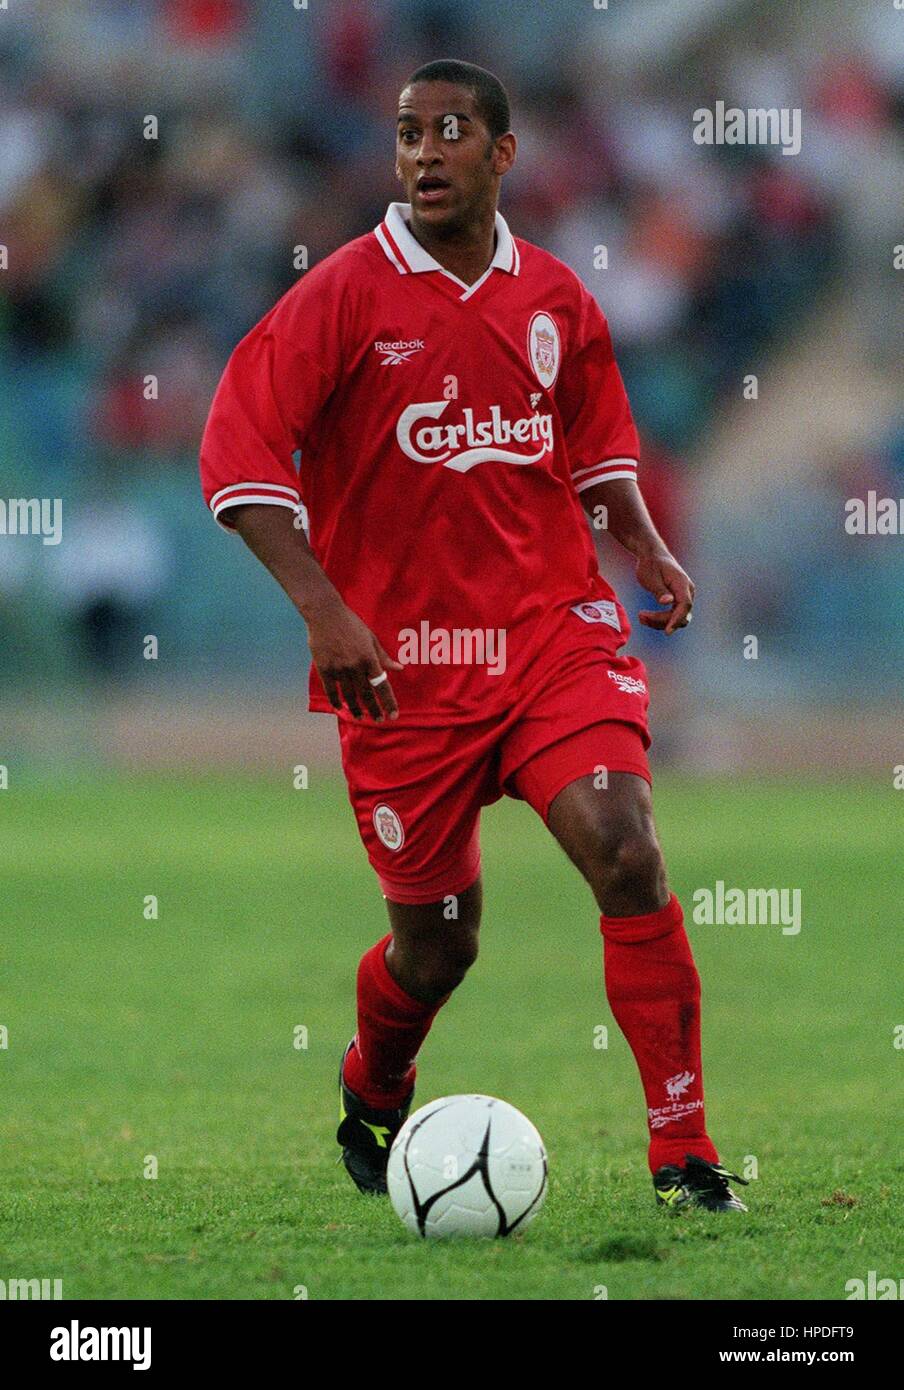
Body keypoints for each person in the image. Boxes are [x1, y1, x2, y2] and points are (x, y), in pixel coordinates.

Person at [199, 59, 747, 1213]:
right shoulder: (343, 294)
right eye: (406, 135)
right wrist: (326, 610)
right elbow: (240, 460)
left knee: (623, 839)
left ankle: (684, 1154)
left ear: (503, 153)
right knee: (439, 945)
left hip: (551, 633)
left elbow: (595, 446)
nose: (424, 153)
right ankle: (376, 1077)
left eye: (450, 132)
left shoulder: (554, 297)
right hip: (403, 678)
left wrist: (639, 542)